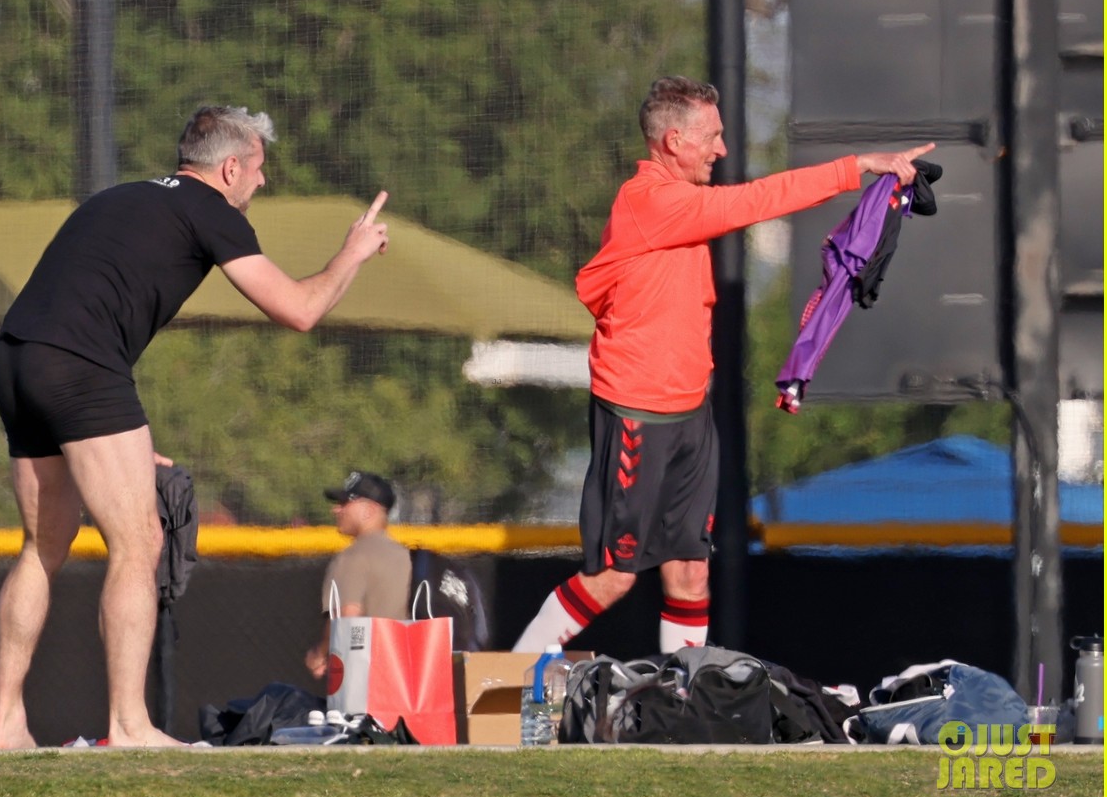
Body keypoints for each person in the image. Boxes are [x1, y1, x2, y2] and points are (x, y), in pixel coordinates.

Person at [0, 105, 390, 749]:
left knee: (42, 547)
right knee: (140, 542)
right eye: (257, 171)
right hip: (83, 368)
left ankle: (6, 723)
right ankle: (129, 725)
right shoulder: (210, 210)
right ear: (229, 168)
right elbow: (299, 309)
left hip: (15, 356)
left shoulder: (122, 197)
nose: (260, 184)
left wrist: (111, 439)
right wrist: (353, 253)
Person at [513, 76, 935, 655]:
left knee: (690, 573)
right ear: (673, 140)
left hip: (689, 412)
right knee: (613, 576)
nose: (722, 149)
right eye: (711, 136)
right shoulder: (651, 201)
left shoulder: (679, 203)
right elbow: (754, 201)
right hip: (640, 413)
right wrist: (857, 164)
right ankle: (511, 685)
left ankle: (684, 708)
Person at [304, 471, 410, 679]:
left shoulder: (352, 557)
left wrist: (320, 653)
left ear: (369, 510)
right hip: (411, 677)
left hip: (368, 680)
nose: (336, 509)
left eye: (345, 502)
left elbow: (345, 618)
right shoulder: (409, 556)